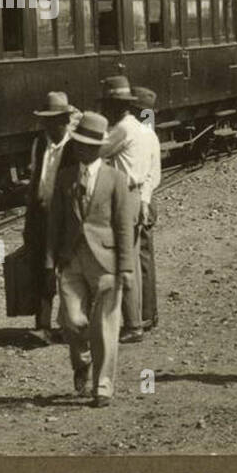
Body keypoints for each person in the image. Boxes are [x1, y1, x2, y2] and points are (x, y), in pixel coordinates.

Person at [45, 111, 136, 407]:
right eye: (78, 143)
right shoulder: (65, 178)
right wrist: (50, 261)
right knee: (71, 321)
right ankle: (82, 361)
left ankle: (103, 386)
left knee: (106, 327)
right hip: (71, 260)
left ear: (99, 147)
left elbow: (124, 226)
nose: (81, 149)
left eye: (87, 145)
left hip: (106, 262)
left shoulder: (116, 179)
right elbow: (55, 223)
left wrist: (125, 267)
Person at [97, 76, 148, 344]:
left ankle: (132, 324)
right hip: (135, 196)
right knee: (133, 261)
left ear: (115, 106)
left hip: (124, 198)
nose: (104, 110)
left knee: (123, 260)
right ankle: (133, 320)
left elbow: (97, 151)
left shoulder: (122, 130)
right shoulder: (136, 126)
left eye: (106, 105)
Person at [27, 92, 79, 341]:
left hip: (67, 216)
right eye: (45, 120)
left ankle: (71, 324)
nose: (47, 125)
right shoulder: (40, 143)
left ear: (64, 120)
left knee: (68, 270)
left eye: (52, 120)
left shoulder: (75, 146)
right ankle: (43, 325)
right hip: (41, 213)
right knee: (42, 269)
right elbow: (36, 177)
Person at [133, 86, 163, 332]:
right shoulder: (148, 134)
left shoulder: (140, 135)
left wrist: (142, 201)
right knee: (140, 257)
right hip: (144, 199)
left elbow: (149, 175)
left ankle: (145, 315)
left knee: (141, 256)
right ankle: (143, 314)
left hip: (141, 200)